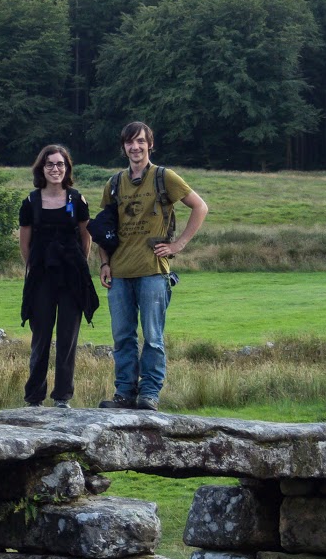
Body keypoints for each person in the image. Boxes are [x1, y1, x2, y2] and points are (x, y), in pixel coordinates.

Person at [95, 121, 208, 411]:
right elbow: (104, 228)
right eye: (130, 143)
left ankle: (149, 394)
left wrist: (178, 245)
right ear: (123, 148)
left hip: (154, 272)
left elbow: (200, 206)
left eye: (141, 142)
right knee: (122, 338)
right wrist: (105, 263)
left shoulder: (164, 177)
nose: (135, 147)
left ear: (150, 145)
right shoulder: (114, 183)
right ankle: (124, 394)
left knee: (153, 338)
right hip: (119, 273)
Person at [18, 143, 99, 408]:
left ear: (67, 168)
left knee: (67, 337)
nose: (55, 169)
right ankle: (34, 397)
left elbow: (86, 238)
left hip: (72, 276)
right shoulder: (30, 202)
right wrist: (34, 270)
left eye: (60, 164)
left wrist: (79, 266)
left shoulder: (78, 200)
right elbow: (25, 245)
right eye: (50, 164)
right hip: (41, 276)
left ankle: (62, 397)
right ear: (42, 168)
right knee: (40, 336)